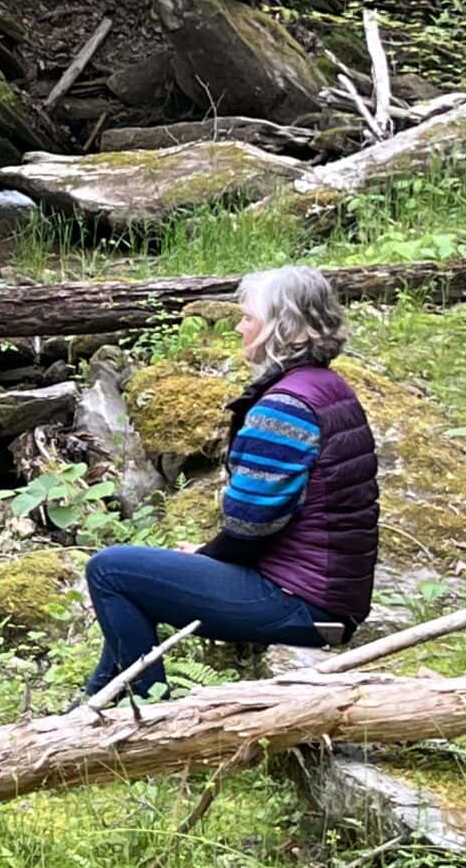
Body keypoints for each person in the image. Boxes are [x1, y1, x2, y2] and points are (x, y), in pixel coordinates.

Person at [81, 264, 380, 698]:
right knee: (133, 578)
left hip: (301, 602)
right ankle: (91, 713)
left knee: (110, 570)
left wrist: (204, 558)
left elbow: (250, 527)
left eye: (248, 318)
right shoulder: (329, 387)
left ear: (284, 328)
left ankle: (151, 719)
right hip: (328, 595)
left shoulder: (285, 408)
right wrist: (206, 561)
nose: (239, 327)